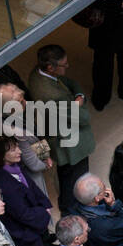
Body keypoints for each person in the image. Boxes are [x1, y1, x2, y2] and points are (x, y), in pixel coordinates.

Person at [27, 44, 95, 214]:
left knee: (66, 173)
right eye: (64, 65)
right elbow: (84, 118)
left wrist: (78, 96)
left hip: (55, 136)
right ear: (51, 67)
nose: (68, 66)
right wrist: (79, 103)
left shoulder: (37, 75)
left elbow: (68, 82)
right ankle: (72, 209)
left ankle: (69, 205)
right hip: (68, 142)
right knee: (75, 176)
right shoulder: (52, 96)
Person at [0, 82, 55, 201]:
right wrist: (45, 164)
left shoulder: (11, 115)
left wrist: (45, 155)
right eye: (20, 102)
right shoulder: (16, 133)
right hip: (27, 171)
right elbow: (34, 165)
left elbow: (36, 136)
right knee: (41, 200)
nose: (25, 102)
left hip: (30, 157)